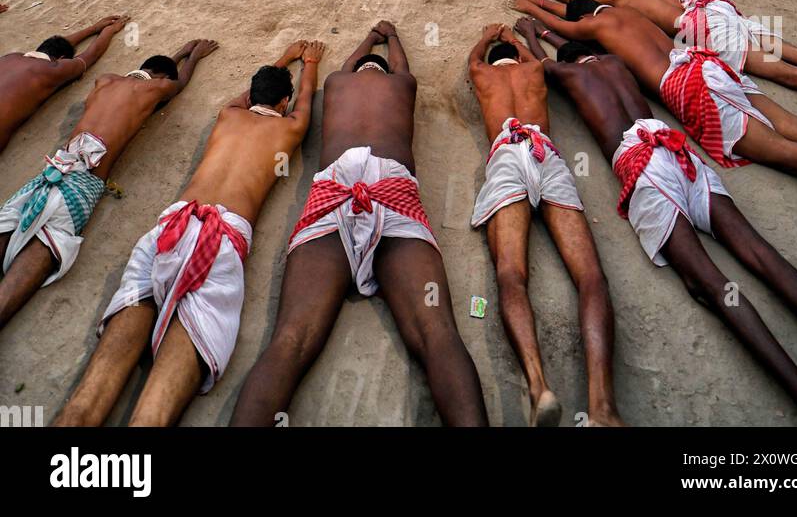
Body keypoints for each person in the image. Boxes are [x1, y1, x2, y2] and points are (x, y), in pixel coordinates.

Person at [513, 18, 797, 426]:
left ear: (568, 60)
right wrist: (548, 31)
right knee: (761, 255)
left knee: (713, 286)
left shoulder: (566, 73)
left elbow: (538, 62)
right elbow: (568, 47)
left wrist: (528, 34)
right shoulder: (615, 64)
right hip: (676, 150)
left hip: (643, 165)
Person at [229, 22, 488, 428]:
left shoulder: (336, 83)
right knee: (436, 334)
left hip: (334, 190)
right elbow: (400, 65)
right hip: (392, 186)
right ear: (385, 72)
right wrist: (393, 37)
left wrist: (369, 37)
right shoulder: (402, 84)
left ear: (355, 70)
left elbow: (350, 64)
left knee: (291, 339)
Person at [54, 40, 323, 428]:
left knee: (89, 395)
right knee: (153, 414)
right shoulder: (291, 127)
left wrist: (282, 59)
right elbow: (307, 98)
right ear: (284, 103)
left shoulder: (228, 114)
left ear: (251, 97)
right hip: (219, 242)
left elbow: (253, 93)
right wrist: (309, 63)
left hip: (170, 227)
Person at [508, 0, 797, 191]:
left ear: (587, 19)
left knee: (783, 151)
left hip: (687, 85)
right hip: (703, 64)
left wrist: (530, 17)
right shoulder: (628, 10)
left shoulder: (596, 24)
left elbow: (556, 26)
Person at [0, 40, 216, 329]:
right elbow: (179, 82)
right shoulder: (157, 89)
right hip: (80, 187)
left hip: (50, 171)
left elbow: (146, 76)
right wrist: (193, 57)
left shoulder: (105, 81)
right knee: (41, 253)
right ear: (162, 78)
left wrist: (175, 53)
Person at [467, 23, 621, 427]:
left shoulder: (482, 74)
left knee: (511, 274)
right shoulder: (533, 70)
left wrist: (486, 37)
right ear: (517, 57)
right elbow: (537, 59)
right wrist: (518, 40)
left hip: (506, 156)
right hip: (545, 154)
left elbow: (472, 59)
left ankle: (539, 387)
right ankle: (602, 405)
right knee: (591, 278)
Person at [512, 0, 797, 109]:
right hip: (714, 11)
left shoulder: (610, 1)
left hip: (706, 31)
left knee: (790, 74)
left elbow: (564, 3)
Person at [0, 15, 129, 154]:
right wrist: (109, 30)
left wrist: (93, 28)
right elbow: (91, 55)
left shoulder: (10, 58)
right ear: (61, 59)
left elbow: (53, 45)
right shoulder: (52, 70)